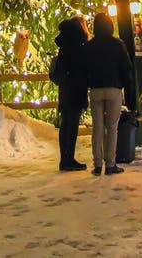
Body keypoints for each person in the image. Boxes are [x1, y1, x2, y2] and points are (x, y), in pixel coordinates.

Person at [85, 12, 135, 176]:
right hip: (114, 89)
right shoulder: (118, 44)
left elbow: (84, 70)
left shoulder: (90, 46)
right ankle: (111, 163)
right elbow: (127, 70)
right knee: (112, 127)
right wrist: (130, 96)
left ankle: (97, 164)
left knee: (97, 128)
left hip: (96, 89)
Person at [53, 16, 89, 171]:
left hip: (65, 89)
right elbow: (82, 69)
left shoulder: (64, 46)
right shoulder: (78, 46)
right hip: (76, 90)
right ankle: (68, 159)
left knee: (66, 123)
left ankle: (65, 158)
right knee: (72, 124)